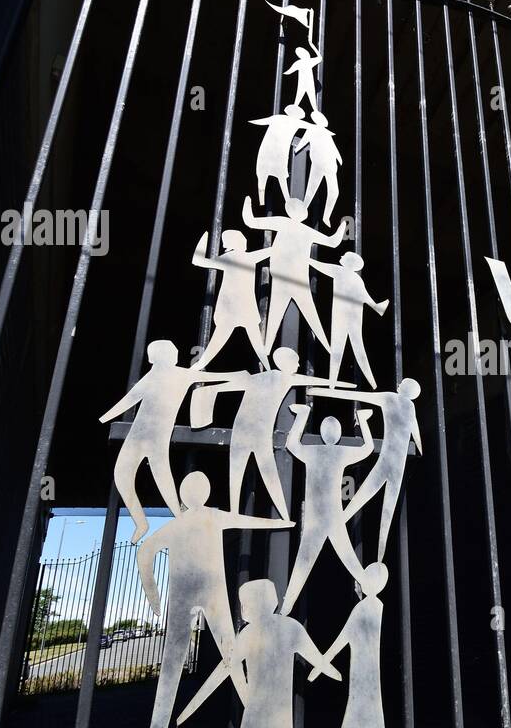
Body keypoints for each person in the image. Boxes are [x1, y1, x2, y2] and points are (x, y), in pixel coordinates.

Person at [136, 471, 289, 728]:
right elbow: (250, 520)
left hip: (181, 601)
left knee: (171, 680)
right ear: (204, 493)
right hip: (213, 596)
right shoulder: (213, 517)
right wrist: (282, 522)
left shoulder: (178, 524)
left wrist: (153, 596)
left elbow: (144, 551)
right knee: (235, 668)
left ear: (183, 495)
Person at [98, 340, 238, 543]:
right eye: (173, 352)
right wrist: (104, 418)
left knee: (157, 479)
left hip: (152, 437)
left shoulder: (177, 374)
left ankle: (171, 519)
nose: (176, 355)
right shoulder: (163, 375)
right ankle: (145, 523)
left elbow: (209, 376)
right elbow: (130, 399)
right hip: (140, 436)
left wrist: (235, 376)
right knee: (127, 476)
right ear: (159, 357)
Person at [188, 347, 351, 519]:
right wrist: (339, 385)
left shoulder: (258, 378)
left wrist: (203, 408)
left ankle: (239, 512)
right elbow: (315, 380)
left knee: (240, 474)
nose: (298, 364)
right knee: (267, 474)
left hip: (243, 430)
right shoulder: (283, 378)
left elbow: (218, 388)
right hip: (256, 432)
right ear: (286, 363)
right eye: (295, 361)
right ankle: (281, 516)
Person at [231, 580, 341, 728]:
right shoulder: (290, 627)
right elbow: (316, 657)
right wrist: (331, 671)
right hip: (278, 714)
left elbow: (234, 666)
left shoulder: (247, 634)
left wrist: (246, 696)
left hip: (256, 713)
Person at [311, 378, 421, 561]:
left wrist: (321, 391)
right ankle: (379, 558)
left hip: (386, 460)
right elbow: (416, 432)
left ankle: (333, 529)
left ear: (402, 388)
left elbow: (355, 395)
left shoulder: (389, 398)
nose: (398, 385)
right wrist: (420, 448)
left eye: (401, 384)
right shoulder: (410, 408)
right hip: (398, 465)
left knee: (359, 498)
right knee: (387, 512)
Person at [307, 563, 392, 728]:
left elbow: (341, 640)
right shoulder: (378, 607)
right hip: (370, 697)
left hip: (362, 696)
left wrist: (321, 665)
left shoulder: (364, 609)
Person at [281, 403, 374, 614]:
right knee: (349, 558)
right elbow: (367, 449)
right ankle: (369, 588)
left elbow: (292, 444)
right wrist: (363, 421)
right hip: (333, 515)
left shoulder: (311, 451)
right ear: (339, 434)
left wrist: (301, 416)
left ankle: (286, 608)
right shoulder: (342, 453)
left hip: (316, 516)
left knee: (303, 563)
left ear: (322, 434)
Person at [240, 195, 347, 354]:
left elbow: (251, 221)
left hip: (283, 276)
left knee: (277, 314)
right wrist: (342, 227)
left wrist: (247, 203)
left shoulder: (282, 222)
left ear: (288, 209)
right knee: (310, 315)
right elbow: (333, 242)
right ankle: (329, 349)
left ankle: (267, 348)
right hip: (296, 278)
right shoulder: (305, 230)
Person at [189, 229, 271, 370]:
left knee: (221, 339)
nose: (245, 241)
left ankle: (200, 365)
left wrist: (203, 241)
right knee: (255, 341)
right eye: (242, 239)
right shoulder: (244, 257)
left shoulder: (229, 258)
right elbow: (272, 251)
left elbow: (198, 260)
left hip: (231, 306)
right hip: (241, 306)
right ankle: (268, 368)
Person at [309, 252, 388, 387]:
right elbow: (365, 298)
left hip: (340, 315)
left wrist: (307, 259)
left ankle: (332, 384)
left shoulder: (340, 271)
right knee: (358, 348)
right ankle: (372, 383)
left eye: (344, 256)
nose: (341, 257)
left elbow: (320, 266)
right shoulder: (358, 280)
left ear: (349, 263)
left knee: (337, 349)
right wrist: (376, 306)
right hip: (355, 316)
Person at [248, 104, 308, 203]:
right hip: (279, 154)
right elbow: (311, 126)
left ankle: (262, 201)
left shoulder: (277, 118)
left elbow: (260, 122)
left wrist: (248, 120)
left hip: (267, 151)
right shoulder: (296, 122)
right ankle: (287, 201)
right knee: (281, 179)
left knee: (263, 177)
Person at [294, 110, 342, 226]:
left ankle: (326, 216)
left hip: (330, 166)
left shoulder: (327, 134)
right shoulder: (311, 130)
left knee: (334, 192)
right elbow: (304, 141)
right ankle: (302, 211)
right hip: (318, 163)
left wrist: (339, 159)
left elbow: (334, 148)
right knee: (311, 189)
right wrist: (296, 149)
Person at [285, 46, 322, 111]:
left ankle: (315, 111)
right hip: (304, 84)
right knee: (300, 98)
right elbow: (289, 71)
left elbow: (289, 71)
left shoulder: (306, 61)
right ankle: (315, 111)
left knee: (311, 99)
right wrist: (312, 46)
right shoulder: (302, 62)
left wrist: (311, 44)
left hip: (308, 84)